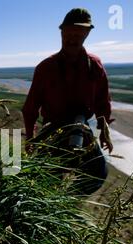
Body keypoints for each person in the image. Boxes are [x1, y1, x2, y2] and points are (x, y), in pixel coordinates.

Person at [22, 8, 114, 195]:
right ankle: (47, 208)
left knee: (97, 174)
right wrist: (31, 138)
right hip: (53, 130)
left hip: (83, 128)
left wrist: (104, 133)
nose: (73, 38)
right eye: (69, 33)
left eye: (79, 34)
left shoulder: (94, 65)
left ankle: (67, 201)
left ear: (87, 34)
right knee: (42, 179)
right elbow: (30, 107)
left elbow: (103, 102)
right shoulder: (46, 67)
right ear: (61, 32)